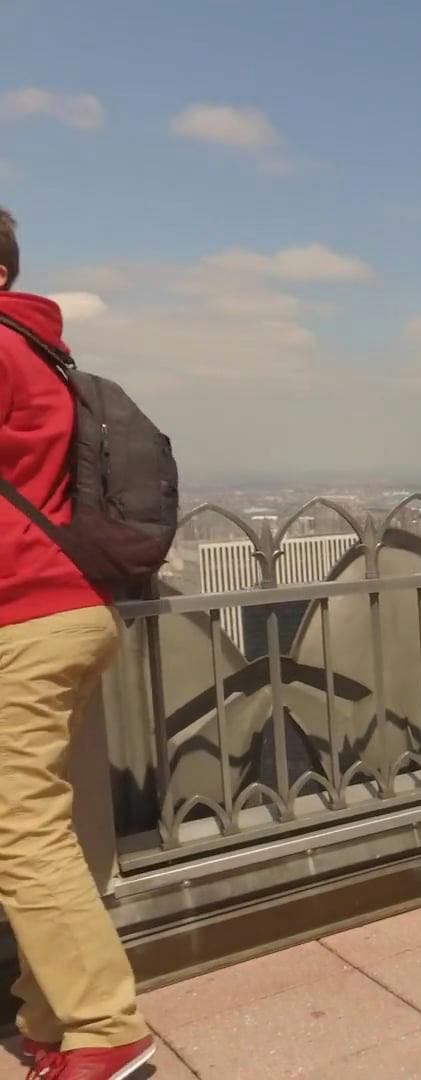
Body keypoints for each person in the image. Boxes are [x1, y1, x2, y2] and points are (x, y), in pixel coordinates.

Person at [0, 207, 158, 1079]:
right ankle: (48, 1021)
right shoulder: (40, 353)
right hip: (70, 608)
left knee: (21, 833)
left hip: (21, 611)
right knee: (33, 827)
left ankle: (105, 1028)